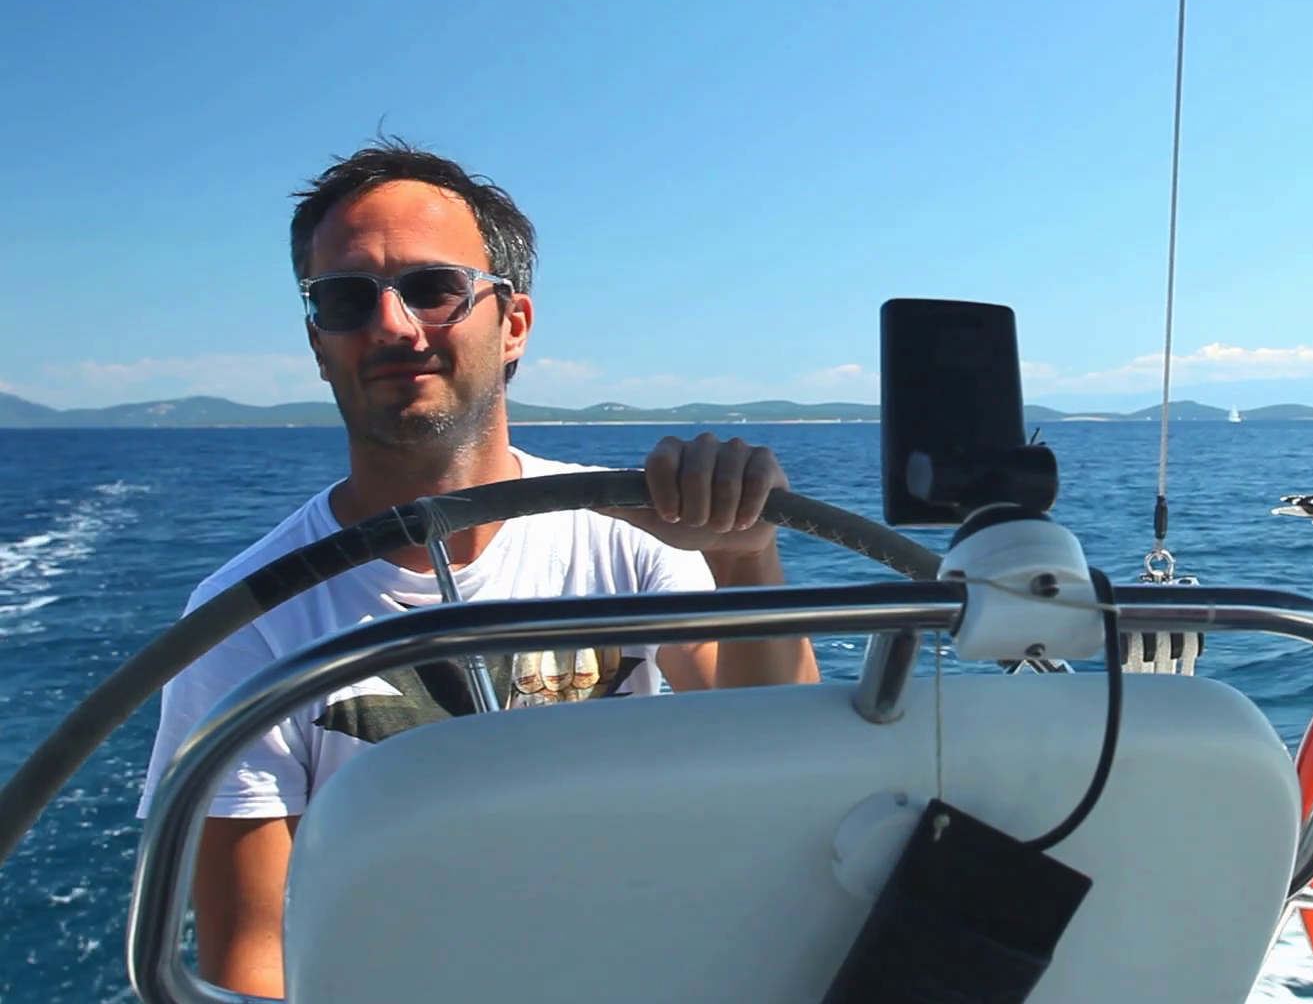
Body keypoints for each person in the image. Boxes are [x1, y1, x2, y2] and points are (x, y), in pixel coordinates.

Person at [134, 137, 819, 997]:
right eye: (347, 299)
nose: (392, 325)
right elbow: (254, 959)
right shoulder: (246, 617)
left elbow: (778, 756)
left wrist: (744, 555)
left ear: (514, 324)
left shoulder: (633, 537)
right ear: (319, 343)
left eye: (433, 289)